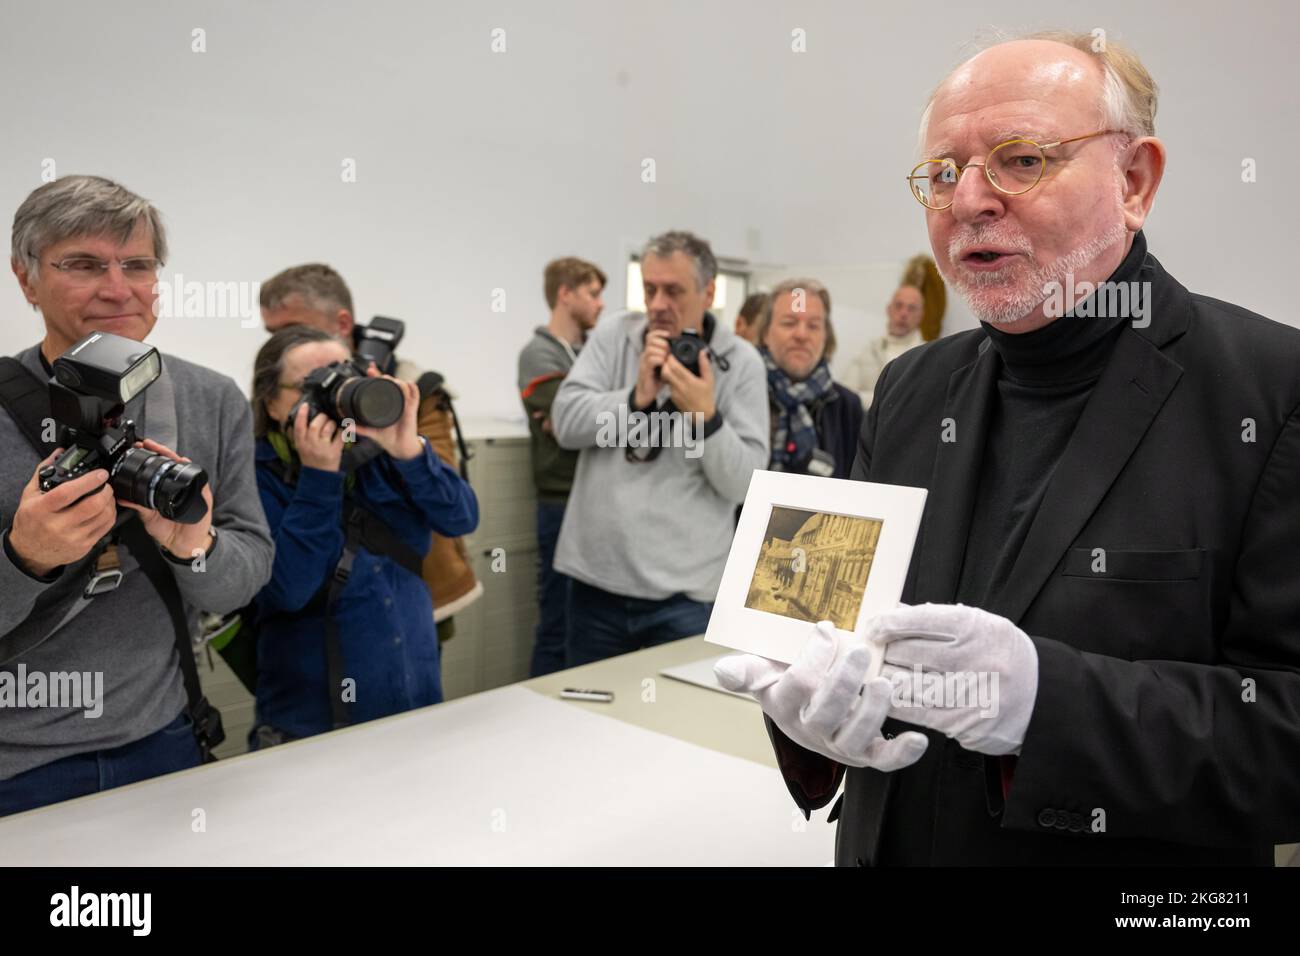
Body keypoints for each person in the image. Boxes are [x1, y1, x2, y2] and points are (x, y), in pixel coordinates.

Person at [717, 31, 1300, 865]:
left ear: (1134, 180)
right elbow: (852, 635)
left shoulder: (1270, 392)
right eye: (944, 173)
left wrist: (1046, 703)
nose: (969, 201)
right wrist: (814, 717)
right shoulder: (912, 388)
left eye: (1022, 159)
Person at [0, 175, 272, 815]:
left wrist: (193, 547)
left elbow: (243, 578)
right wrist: (25, 557)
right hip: (17, 764)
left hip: (164, 739)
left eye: (138, 265)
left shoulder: (212, 399)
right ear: (26, 278)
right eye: (84, 265)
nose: (118, 288)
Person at [246, 326, 478, 745]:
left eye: (343, 376)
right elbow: (287, 590)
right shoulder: (253, 475)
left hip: (414, 700)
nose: (335, 396)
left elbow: (461, 518)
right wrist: (319, 477)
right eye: (312, 385)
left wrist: (408, 449)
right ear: (272, 402)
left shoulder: (385, 453)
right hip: (314, 727)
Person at [551, 230, 768, 666]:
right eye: (649, 289)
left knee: (675, 724)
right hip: (596, 585)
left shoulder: (741, 362)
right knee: (585, 723)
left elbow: (745, 485)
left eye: (673, 291)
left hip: (685, 599)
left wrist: (706, 418)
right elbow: (565, 424)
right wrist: (635, 399)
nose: (657, 304)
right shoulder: (615, 335)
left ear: (709, 292)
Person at [261, 263, 482, 640]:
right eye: (273, 333)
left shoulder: (410, 390)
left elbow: (455, 512)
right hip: (321, 618)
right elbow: (283, 582)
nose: (282, 343)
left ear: (342, 324)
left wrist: (405, 447)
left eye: (295, 329)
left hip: (412, 594)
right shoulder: (280, 407)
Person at [517, 256, 606, 676]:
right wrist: (593, 416)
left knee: (586, 622)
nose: (601, 304)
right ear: (565, 294)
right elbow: (567, 422)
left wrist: (591, 417)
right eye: (592, 293)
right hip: (559, 502)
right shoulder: (537, 353)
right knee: (556, 621)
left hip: (594, 498)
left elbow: (596, 422)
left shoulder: (590, 355)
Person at [755, 278, 863, 480]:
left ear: (826, 337)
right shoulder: (741, 393)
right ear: (765, 334)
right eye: (789, 323)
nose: (801, 335)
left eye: (813, 326)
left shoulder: (847, 407)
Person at [843, 285, 925, 407]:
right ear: (889, 309)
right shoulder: (869, 350)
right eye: (899, 306)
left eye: (911, 308)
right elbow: (845, 395)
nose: (903, 313)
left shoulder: (927, 357)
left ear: (920, 316)